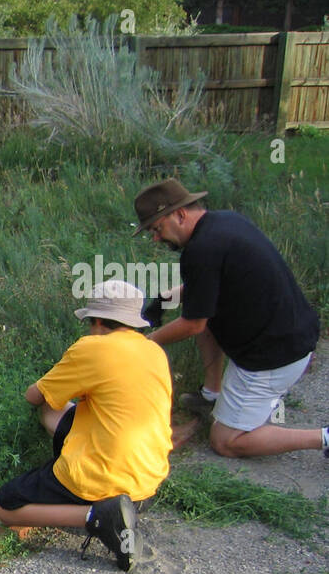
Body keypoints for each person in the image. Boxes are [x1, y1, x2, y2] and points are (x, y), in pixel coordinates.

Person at [133, 178, 326, 460]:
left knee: (225, 441)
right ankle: (212, 394)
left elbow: (193, 324)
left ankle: (323, 437)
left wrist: (146, 344)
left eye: (157, 228)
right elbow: (208, 286)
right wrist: (165, 299)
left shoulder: (201, 250)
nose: (156, 238)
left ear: (180, 214)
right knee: (204, 311)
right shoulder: (225, 223)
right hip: (293, 334)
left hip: (273, 357)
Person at [0, 279, 173, 572]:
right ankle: (123, 509)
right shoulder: (154, 351)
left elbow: (34, 396)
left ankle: (99, 516)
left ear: (97, 321)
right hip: (146, 482)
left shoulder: (92, 349)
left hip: (103, 479)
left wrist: (54, 378)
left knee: (1, 505)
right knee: (61, 412)